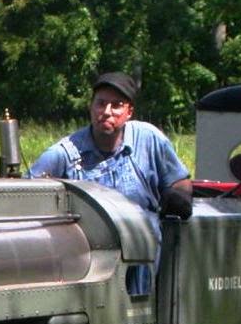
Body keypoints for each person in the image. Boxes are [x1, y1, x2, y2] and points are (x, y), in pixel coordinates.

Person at [28, 72, 192, 294]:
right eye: (101, 103)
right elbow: (26, 194)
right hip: (88, 260)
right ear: (91, 107)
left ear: (129, 112)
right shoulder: (63, 154)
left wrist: (179, 198)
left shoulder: (149, 140)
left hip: (144, 257)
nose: (106, 112)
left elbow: (180, 181)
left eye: (116, 105)